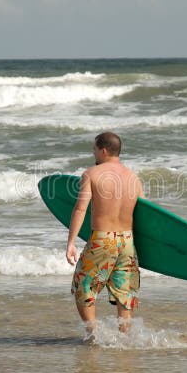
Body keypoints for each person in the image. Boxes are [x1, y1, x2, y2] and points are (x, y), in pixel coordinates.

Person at [66, 132, 143, 335]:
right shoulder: (134, 178)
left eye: (94, 149)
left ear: (104, 151)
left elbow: (80, 209)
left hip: (103, 240)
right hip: (127, 240)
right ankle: (124, 337)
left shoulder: (92, 174)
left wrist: (71, 242)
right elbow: (145, 216)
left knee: (83, 287)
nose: (93, 153)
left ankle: (93, 334)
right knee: (125, 292)